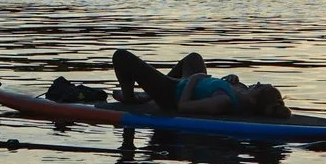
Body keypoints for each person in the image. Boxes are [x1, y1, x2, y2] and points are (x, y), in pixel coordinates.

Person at [111, 49, 289, 119]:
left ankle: (131, 98)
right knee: (194, 57)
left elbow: (183, 106)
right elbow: (214, 87)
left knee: (121, 57)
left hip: (172, 93)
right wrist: (230, 79)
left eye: (259, 86)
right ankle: (148, 95)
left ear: (255, 98)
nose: (256, 83)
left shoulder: (223, 101)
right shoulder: (240, 92)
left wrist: (195, 79)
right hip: (188, 82)